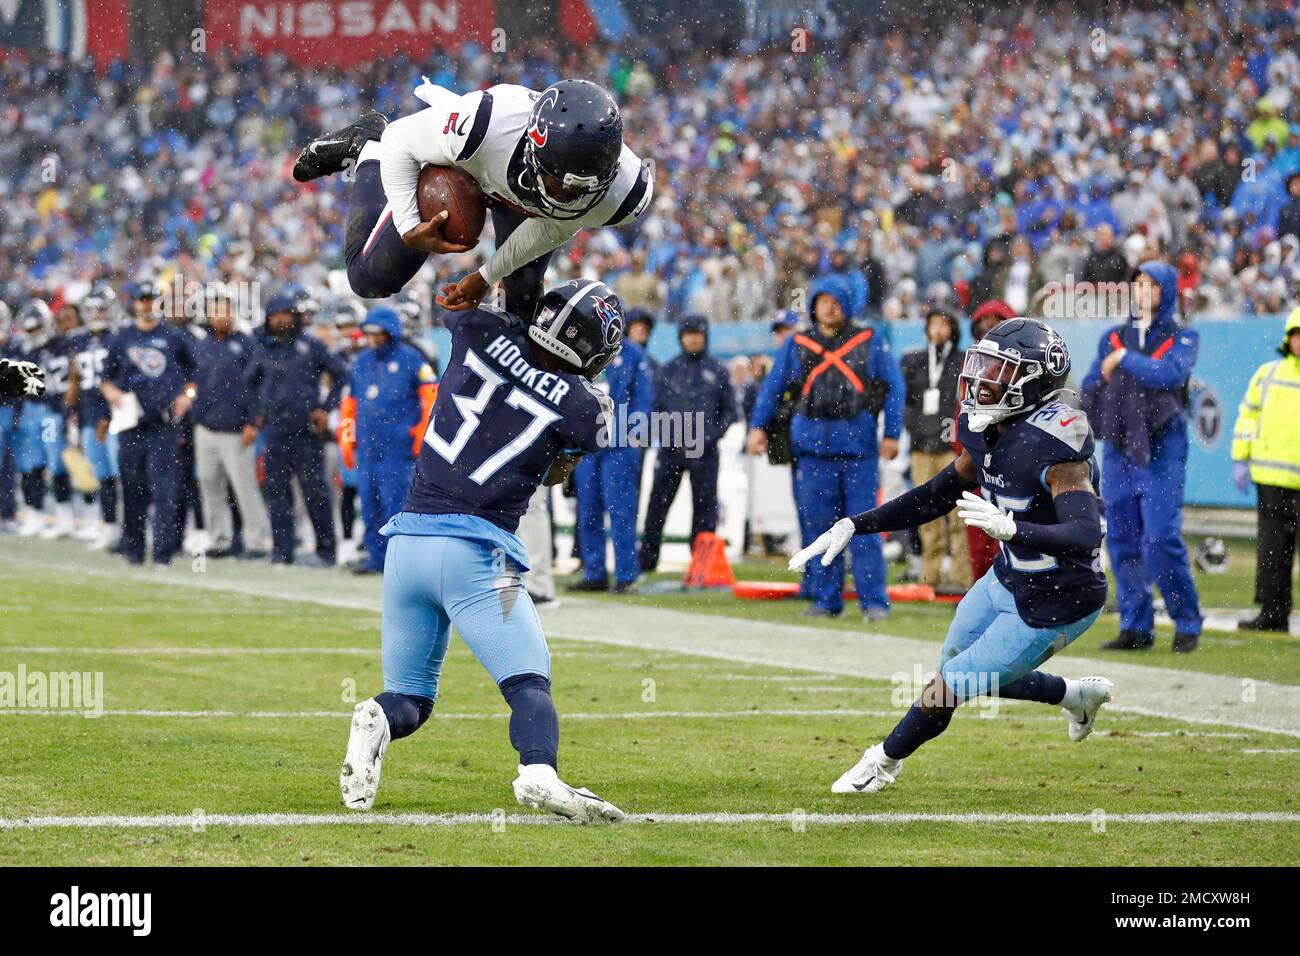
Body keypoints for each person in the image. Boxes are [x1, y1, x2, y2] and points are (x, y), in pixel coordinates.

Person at [339, 279, 627, 822]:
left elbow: (502, 293)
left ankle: (375, 716)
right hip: (476, 553)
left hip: (407, 544)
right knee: (527, 681)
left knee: (411, 699)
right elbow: (558, 470)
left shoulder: (477, 333)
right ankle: (538, 774)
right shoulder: (583, 409)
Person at [792, 318, 1112, 794]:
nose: (980, 378)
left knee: (951, 685)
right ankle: (1075, 696)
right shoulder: (989, 430)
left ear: (1034, 381)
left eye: (998, 370)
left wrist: (1014, 528)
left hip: (1058, 599)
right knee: (958, 668)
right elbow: (936, 494)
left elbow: (1086, 531)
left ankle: (882, 762)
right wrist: (855, 524)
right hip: (1008, 579)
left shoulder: (1058, 445)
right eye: (982, 364)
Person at [293, 79, 652, 324]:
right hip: (470, 169)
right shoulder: (483, 127)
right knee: (368, 279)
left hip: (517, 189)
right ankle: (364, 145)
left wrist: (484, 276)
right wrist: (407, 225)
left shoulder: (623, 195)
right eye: (560, 184)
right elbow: (400, 139)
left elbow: (551, 228)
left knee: (522, 302)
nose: (567, 196)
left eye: (580, 190)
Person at [747, 278, 904, 620]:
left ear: (847, 305)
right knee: (819, 531)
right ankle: (825, 599)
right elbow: (773, 388)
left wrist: (892, 433)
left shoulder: (870, 340)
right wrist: (758, 427)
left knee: (864, 528)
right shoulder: (797, 343)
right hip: (812, 448)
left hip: (858, 449)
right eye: (823, 301)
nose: (829, 308)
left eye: (836, 301)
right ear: (813, 305)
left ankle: (874, 601)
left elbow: (893, 388)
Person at [1082, 261, 1203, 653]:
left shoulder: (1182, 337)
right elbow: (1091, 382)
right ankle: (1136, 626)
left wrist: (1123, 363)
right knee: (1121, 538)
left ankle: (1186, 620)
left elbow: (1168, 375)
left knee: (1160, 537)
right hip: (1118, 448)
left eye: (1152, 285)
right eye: (1138, 284)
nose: (1143, 292)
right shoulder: (1113, 336)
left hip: (1163, 449)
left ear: (1166, 291)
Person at [100, 282, 198, 566]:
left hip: (163, 423)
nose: (146, 305)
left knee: (165, 489)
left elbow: (193, 378)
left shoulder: (174, 337)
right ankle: (133, 549)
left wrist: (186, 398)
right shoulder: (121, 338)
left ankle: (163, 553)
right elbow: (105, 379)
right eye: (142, 300)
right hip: (131, 423)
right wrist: (114, 394)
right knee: (132, 489)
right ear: (135, 303)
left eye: (151, 300)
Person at [246, 295, 347, 567]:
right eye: (276, 315)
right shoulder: (261, 349)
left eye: (287, 314)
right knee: (277, 496)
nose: (282, 319)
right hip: (275, 432)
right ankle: (282, 552)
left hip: (306, 432)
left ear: (296, 317)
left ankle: (327, 552)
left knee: (315, 494)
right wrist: (257, 416)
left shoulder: (311, 345)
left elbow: (340, 374)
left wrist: (326, 408)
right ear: (268, 319)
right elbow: (248, 385)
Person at [338, 306, 436, 575]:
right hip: (369, 449)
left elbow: (430, 401)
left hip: (399, 449)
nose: (374, 339)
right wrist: (347, 439)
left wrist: (421, 438)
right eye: (369, 333)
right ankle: (375, 557)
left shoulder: (412, 359)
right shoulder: (360, 362)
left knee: (397, 506)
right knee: (370, 505)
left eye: (379, 333)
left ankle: (400, 560)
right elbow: (349, 404)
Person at [637, 315, 737, 572]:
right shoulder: (667, 370)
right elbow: (655, 409)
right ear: (680, 337)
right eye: (688, 333)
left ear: (705, 336)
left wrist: (712, 435)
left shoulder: (717, 370)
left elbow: (730, 412)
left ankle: (701, 565)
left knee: (705, 509)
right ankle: (647, 561)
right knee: (656, 506)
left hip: (705, 451)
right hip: (671, 450)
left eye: (697, 333)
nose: (692, 338)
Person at [569, 322, 654, 592]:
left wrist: (637, 430)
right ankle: (595, 573)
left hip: (619, 442)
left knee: (621, 510)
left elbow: (644, 397)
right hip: (587, 441)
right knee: (588, 509)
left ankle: (626, 574)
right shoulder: (580, 348)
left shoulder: (633, 355)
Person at [1230, 307, 1300, 632]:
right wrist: (1240, 457)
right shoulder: (1268, 374)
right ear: (1288, 338)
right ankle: (1273, 615)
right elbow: (1247, 417)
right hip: (1270, 481)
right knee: (1272, 553)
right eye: (1296, 335)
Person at [190, 291, 272, 560]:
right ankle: (219, 539)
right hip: (206, 427)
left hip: (237, 429)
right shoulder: (200, 345)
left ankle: (256, 541)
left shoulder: (247, 344)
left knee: (244, 487)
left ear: (233, 313)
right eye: (215, 311)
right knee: (210, 485)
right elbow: (194, 382)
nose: (220, 316)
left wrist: (253, 422)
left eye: (224, 311)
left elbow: (259, 386)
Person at [900, 307, 970, 594]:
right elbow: (905, 403)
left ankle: (963, 576)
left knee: (957, 515)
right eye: (933, 324)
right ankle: (929, 576)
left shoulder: (963, 361)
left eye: (944, 324)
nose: (938, 330)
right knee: (925, 514)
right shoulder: (914, 362)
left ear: (953, 328)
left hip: (951, 448)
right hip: (921, 448)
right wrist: (916, 431)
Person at [68, 290, 122, 551]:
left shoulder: (118, 338)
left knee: (124, 474)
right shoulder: (79, 340)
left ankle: (134, 526)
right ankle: (110, 526)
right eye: (92, 310)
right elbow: (75, 380)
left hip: (116, 416)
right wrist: (73, 411)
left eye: (101, 309)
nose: (96, 315)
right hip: (89, 415)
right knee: (103, 476)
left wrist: (109, 416)